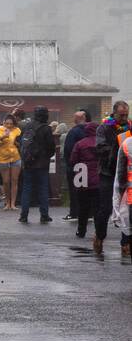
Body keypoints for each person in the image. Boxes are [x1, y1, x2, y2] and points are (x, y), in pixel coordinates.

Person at [93, 100, 130, 257]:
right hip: (108, 173)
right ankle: (100, 237)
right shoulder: (104, 128)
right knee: (106, 208)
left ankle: (126, 243)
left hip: (125, 174)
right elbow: (100, 147)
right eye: (121, 115)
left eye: (126, 115)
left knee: (128, 209)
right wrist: (118, 149)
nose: (124, 118)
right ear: (114, 113)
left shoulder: (130, 127)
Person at [18, 106, 56, 224]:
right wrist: (46, 156)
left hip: (28, 162)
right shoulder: (46, 128)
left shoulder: (27, 126)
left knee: (27, 188)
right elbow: (51, 147)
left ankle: (23, 215)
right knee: (42, 188)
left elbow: (22, 142)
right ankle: (44, 215)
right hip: (42, 163)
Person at [67, 121, 101, 241]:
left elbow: (73, 160)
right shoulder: (103, 143)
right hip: (99, 179)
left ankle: (81, 230)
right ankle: (99, 231)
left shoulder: (80, 144)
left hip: (83, 179)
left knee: (83, 207)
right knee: (98, 208)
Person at [61, 110, 90, 220]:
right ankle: (89, 212)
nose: (73, 118)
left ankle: (74, 212)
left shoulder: (73, 132)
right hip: (89, 166)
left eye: (75, 117)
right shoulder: (91, 131)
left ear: (79, 118)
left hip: (75, 166)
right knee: (88, 190)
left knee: (74, 190)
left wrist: (70, 163)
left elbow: (68, 149)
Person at [0, 114, 22, 211]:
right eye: (7, 123)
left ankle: (13, 204)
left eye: (11, 123)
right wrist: (3, 136)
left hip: (15, 157)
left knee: (14, 181)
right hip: (3, 158)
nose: (9, 125)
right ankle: (7, 202)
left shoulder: (17, 130)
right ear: (4, 123)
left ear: (14, 123)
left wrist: (17, 143)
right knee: (6, 181)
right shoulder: (1, 130)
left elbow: (20, 143)